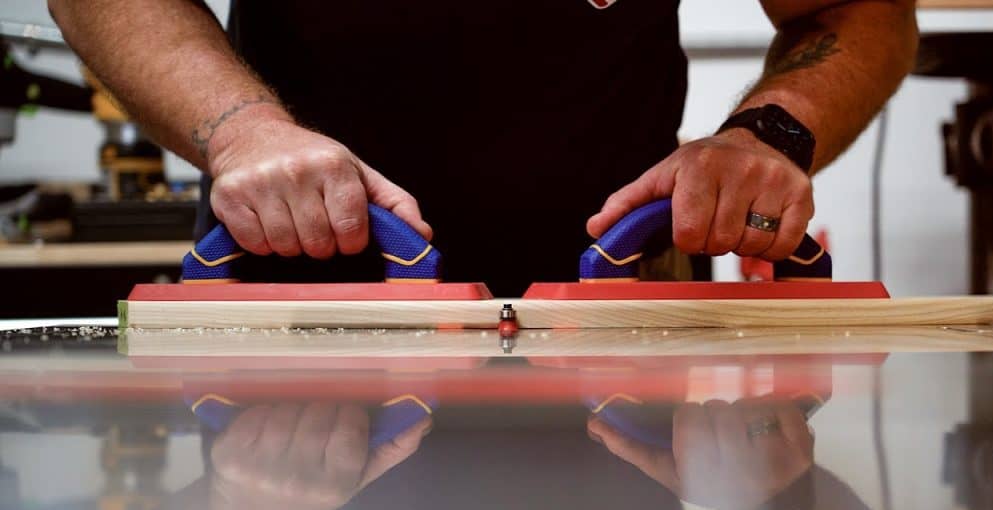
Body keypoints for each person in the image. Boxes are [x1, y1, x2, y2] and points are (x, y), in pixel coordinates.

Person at [48, 0, 917, 295]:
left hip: (622, 327)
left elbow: (853, 9)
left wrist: (768, 134)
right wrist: (244, 132)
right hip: (298, 320)